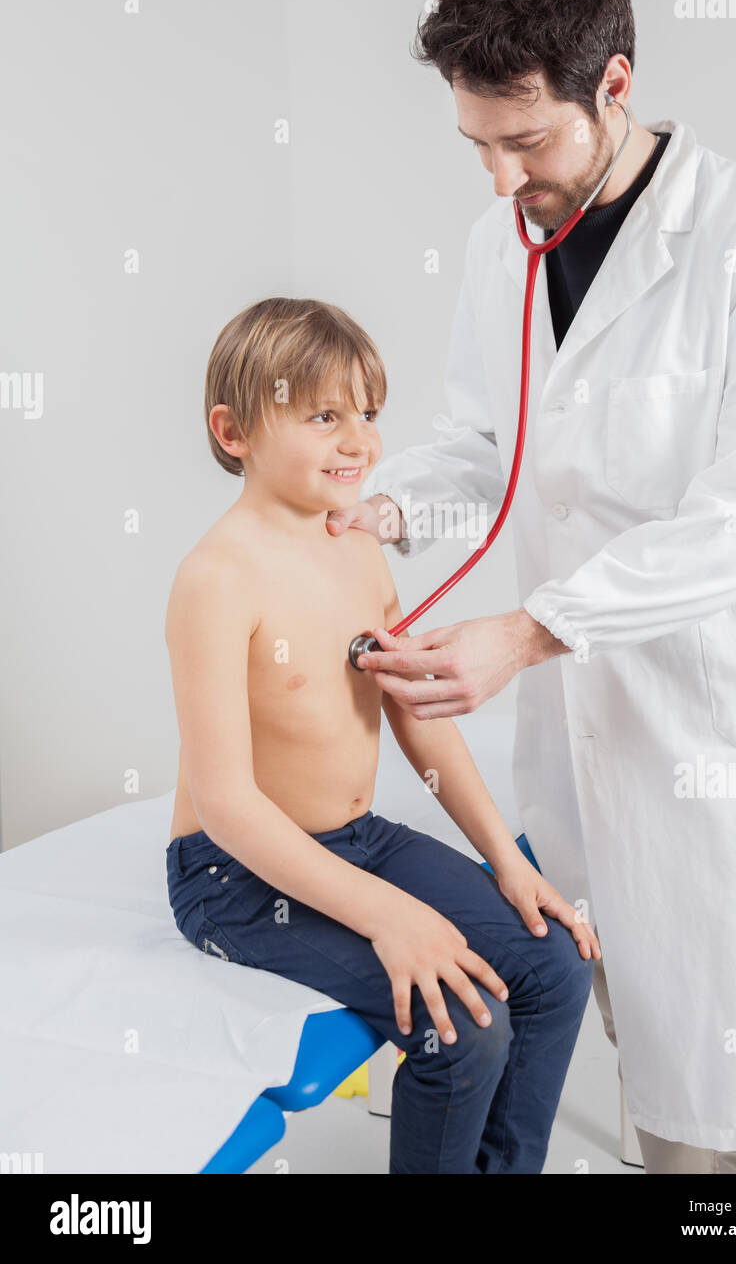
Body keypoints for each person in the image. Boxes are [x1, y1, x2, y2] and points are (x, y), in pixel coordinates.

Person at [327, 0, 736, 1173]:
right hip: (574, 733)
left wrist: (530, 629)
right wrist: (373, 504)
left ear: (613, 83)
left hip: (713, 727)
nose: (500, 183)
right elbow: (478, 449)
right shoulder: (496, 244)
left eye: (527, 140)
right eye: (475, 147)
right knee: (625, 1039)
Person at [163, 295, 597, 1175]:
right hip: (235, 873)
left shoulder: (356, 543)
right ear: (234, 430)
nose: (359, 440)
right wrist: (391, 916)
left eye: (367, 413)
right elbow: (227, 804)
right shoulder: (216, 579)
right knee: (463, 1026)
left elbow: (412, 713)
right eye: (324, 415)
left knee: (554, 969)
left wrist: (505, 864)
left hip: (353, 841)